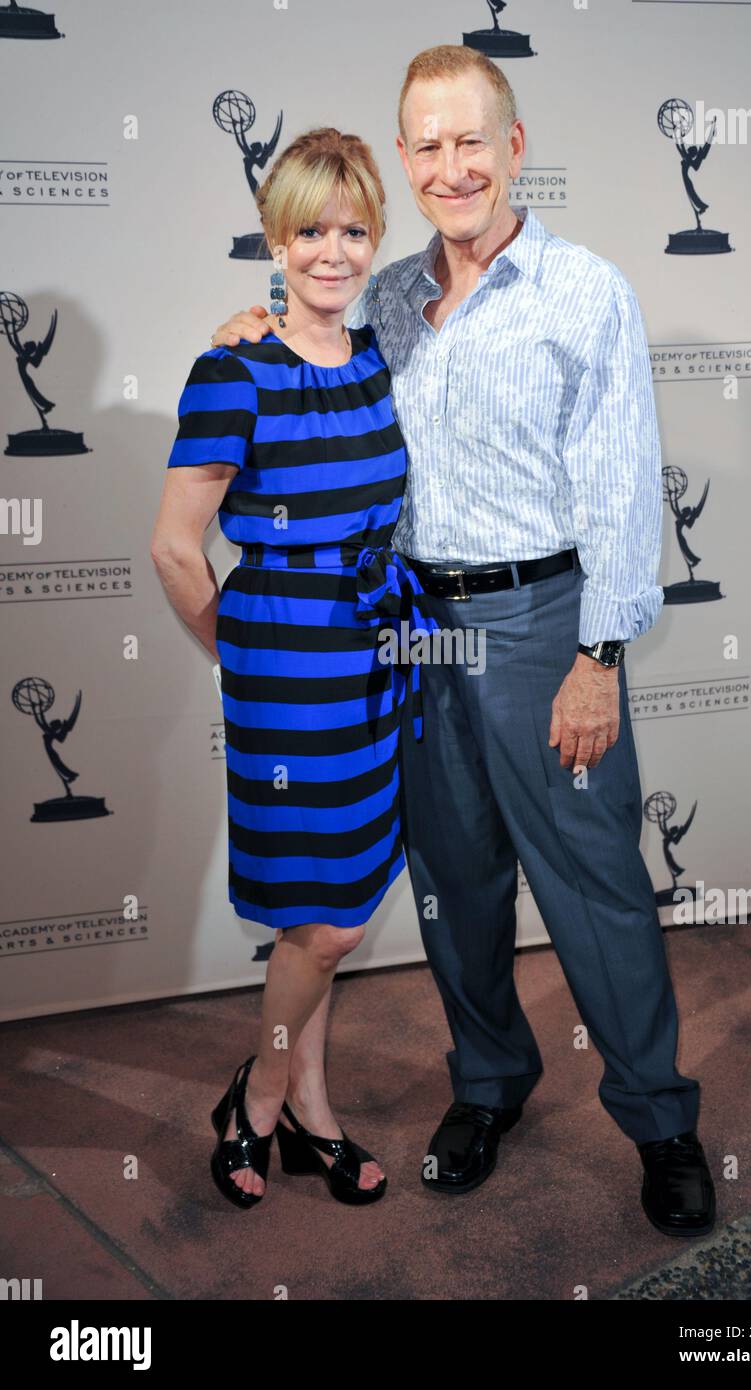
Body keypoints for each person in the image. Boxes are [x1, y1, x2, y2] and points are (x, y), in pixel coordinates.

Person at [211, 45, 716, 1237]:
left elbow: (624, 490)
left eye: (470, 140)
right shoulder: (380, 296)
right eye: (426, 145)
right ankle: (489, 1085)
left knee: (596, 888)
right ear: (405, 160)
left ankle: (662, 1119)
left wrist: (600, 657)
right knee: (454, 886)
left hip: (547, 625)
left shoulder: (584, 289)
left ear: (515, 146)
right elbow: (306, 377)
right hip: (414, 629)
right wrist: (253, 325)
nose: (451, 166)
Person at [151, 127, 436, 1210]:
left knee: (332, 909)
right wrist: (251, 652)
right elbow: (177, 546)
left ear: (374, 237)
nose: (334, 250)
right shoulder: (233, 369)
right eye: (311, 228)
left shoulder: (374, 357)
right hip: (286, 672)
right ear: (276, 233)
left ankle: (306, 1100)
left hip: (371, 657)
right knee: (325, 922)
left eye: (354, 229)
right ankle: (260, 1097)